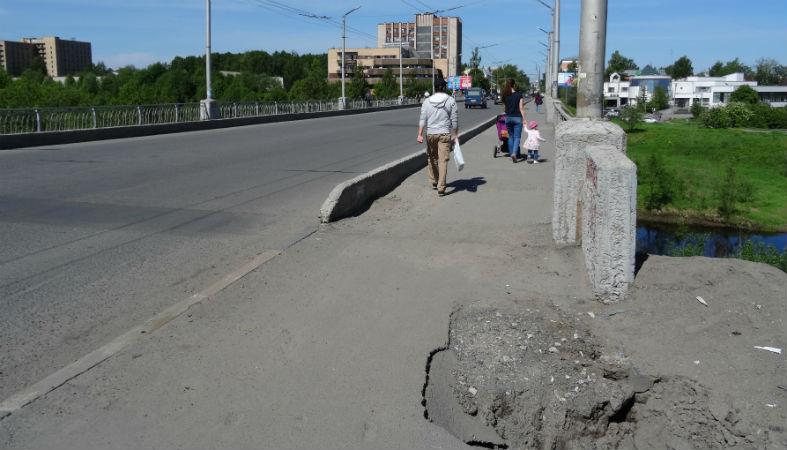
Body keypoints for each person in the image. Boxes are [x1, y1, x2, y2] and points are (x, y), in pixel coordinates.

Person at [416, 78, 459, 197]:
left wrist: (420, 134)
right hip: (444, 134)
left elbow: (422, 119)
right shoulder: (451, 100)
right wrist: (455, 134)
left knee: (431, 158)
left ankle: (434, 181)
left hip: (430, 134)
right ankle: (441, 187)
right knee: (443, 160)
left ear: (435, 88)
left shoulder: (426, 101)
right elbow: (454, 120)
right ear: (444, 88)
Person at [501, 79, 527, 163]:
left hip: (508, 118)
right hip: (518, 118)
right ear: (514, 85)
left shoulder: (505, 96)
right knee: (517, 137)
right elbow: (521, 108)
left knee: (510, 137)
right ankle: (514, 154)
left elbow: (504, 109)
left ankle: (511, 154)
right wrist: (524, 120)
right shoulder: (519, 95)